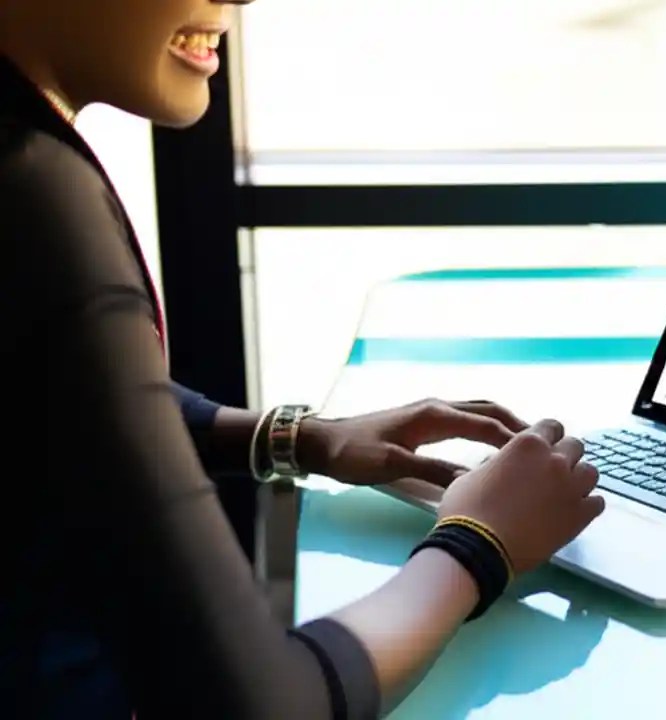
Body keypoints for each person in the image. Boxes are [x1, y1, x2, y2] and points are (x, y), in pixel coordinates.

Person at [0, 1, 605, 718]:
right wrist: (478, 544)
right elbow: (260, 702)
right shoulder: (29, 187)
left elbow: (47, 404)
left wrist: (293, 436)